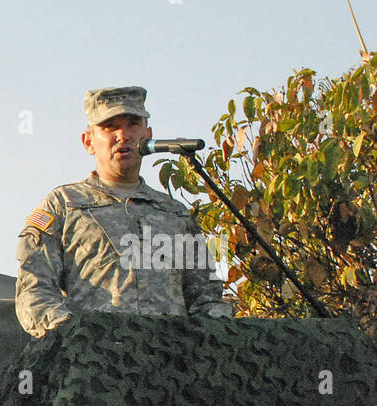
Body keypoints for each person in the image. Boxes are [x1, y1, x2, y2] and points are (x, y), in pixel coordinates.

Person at [15, 86, 233, 338]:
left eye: (132, 124)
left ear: (147, 134)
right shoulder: (63, 205)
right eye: (109, 127)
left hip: (171, 366)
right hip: (96, 366)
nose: (122, 135)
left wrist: (210, 341)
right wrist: (73, 335)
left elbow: (207, 296)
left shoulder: (177, 215)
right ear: (88, 141)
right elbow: (34, 290)